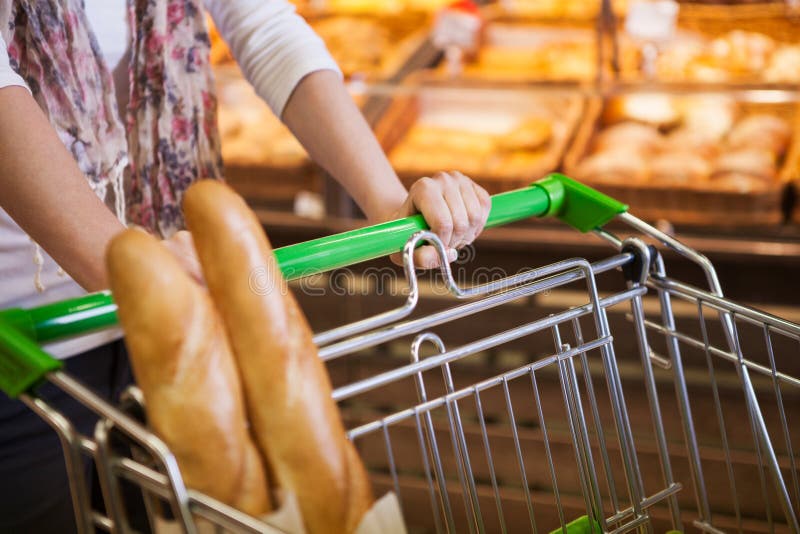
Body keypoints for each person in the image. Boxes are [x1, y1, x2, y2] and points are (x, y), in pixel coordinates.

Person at [0, 0, 492, 532]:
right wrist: (131, 268)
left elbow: (262, 23)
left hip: (175, 322)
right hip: (27, 340)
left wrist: (387, 201)